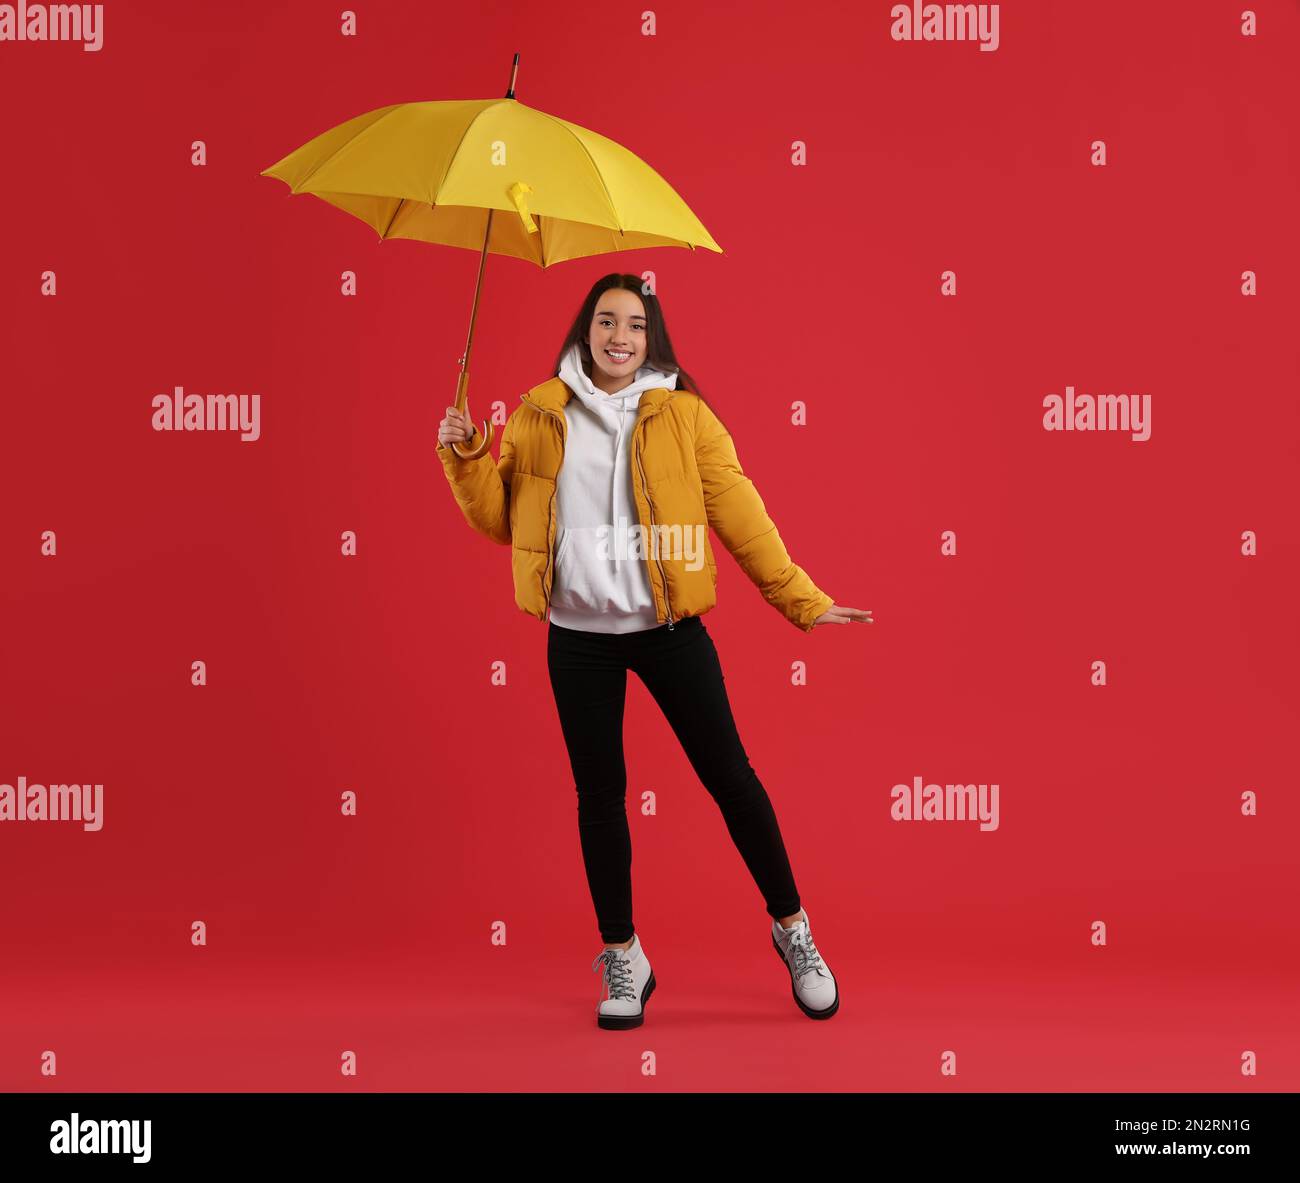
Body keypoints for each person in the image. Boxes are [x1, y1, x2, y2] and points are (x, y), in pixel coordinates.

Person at [436, 274, 872, 1029]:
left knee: (731, 778)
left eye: (634, 325)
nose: (619, 337)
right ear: (584, 331)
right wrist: (468, 456)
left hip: (670, 631)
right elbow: (503, 521)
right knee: (599, 798)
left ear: (651, 338)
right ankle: (624, 955)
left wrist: (801, 598)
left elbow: (740, 512)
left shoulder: (685, 418)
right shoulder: (539, 415)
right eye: (606, 322)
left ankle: (794, 931)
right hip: (577, 640)